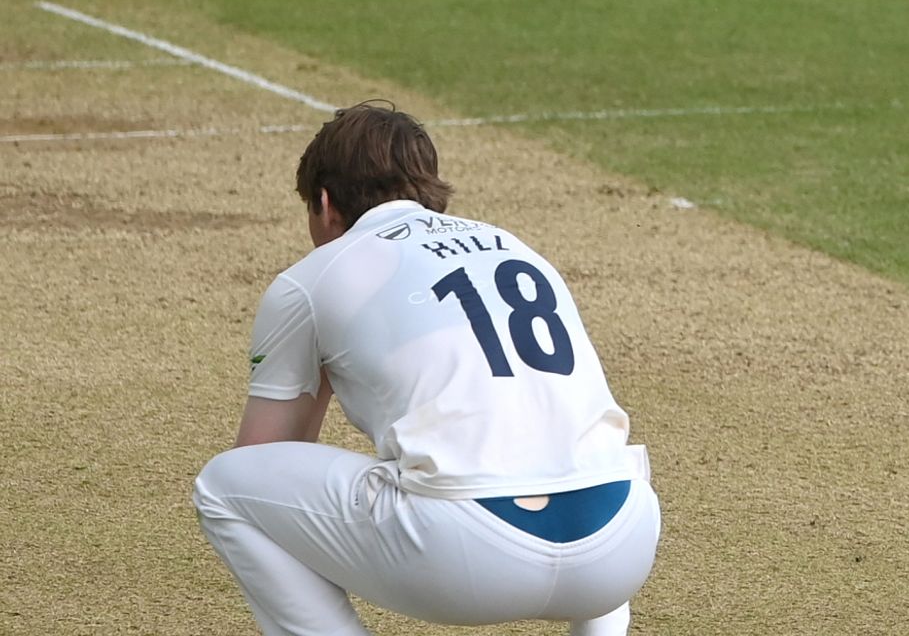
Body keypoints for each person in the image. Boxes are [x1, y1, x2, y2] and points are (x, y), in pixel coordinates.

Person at [194, 102, 660, 635]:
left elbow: (261, 459)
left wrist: (319, 368)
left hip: (468, 557)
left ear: (324, 203)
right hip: (621, 549)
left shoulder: (312, 277)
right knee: (576, 453)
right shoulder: (515, 246)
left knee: (223, 487)